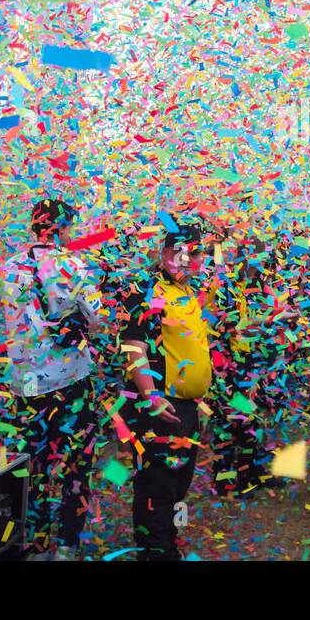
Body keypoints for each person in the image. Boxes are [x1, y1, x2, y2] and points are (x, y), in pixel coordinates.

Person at [2, 198, 104, 559]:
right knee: (77, 463)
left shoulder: (10, 267)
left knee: (35, 465)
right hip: (70, 381)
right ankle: (67, 544)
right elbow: (97, 319)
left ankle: (35, 544)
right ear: (61, 228)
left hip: (26, 385)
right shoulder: (74, 264)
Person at [121, 222, 215, 560]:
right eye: (179, 252)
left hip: (187, 407)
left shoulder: (189, 294)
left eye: (194, 252)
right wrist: (150, 396)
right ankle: (154, 552)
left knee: (179, 482)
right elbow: (133, 347)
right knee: (157, 484)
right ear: (163, 254)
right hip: (161, 407)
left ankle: (168, 542)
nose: (186, 259)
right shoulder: (148, 292)